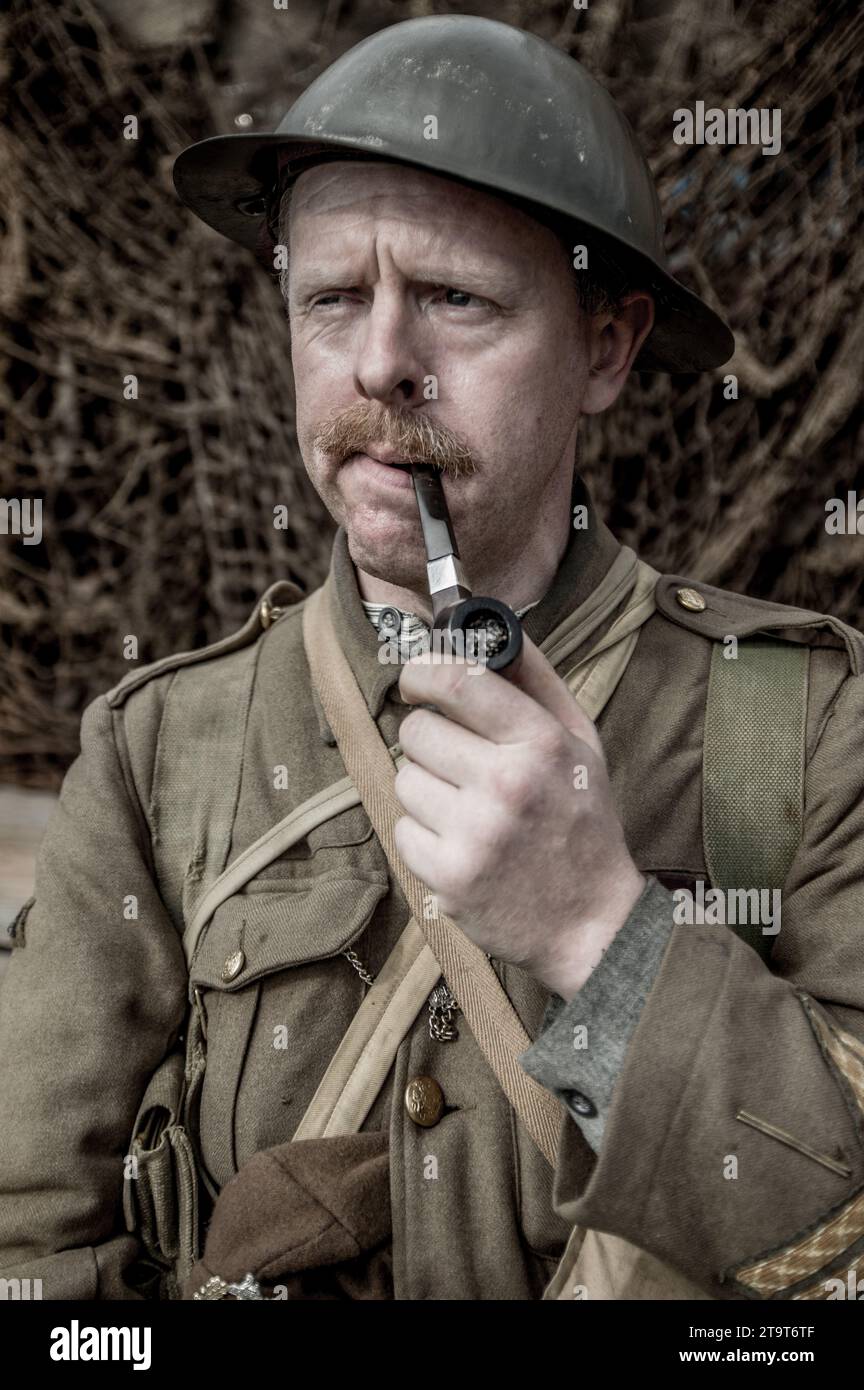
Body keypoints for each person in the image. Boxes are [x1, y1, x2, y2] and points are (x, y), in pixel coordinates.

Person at [1, 15, 862, 1303]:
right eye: (332, 300)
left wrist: (601, 936)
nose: (382, 362)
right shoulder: (165, 753)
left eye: (456, 299)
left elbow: (840, 1244)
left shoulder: (784, 726)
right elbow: (31, 1259)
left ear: (609, 349)